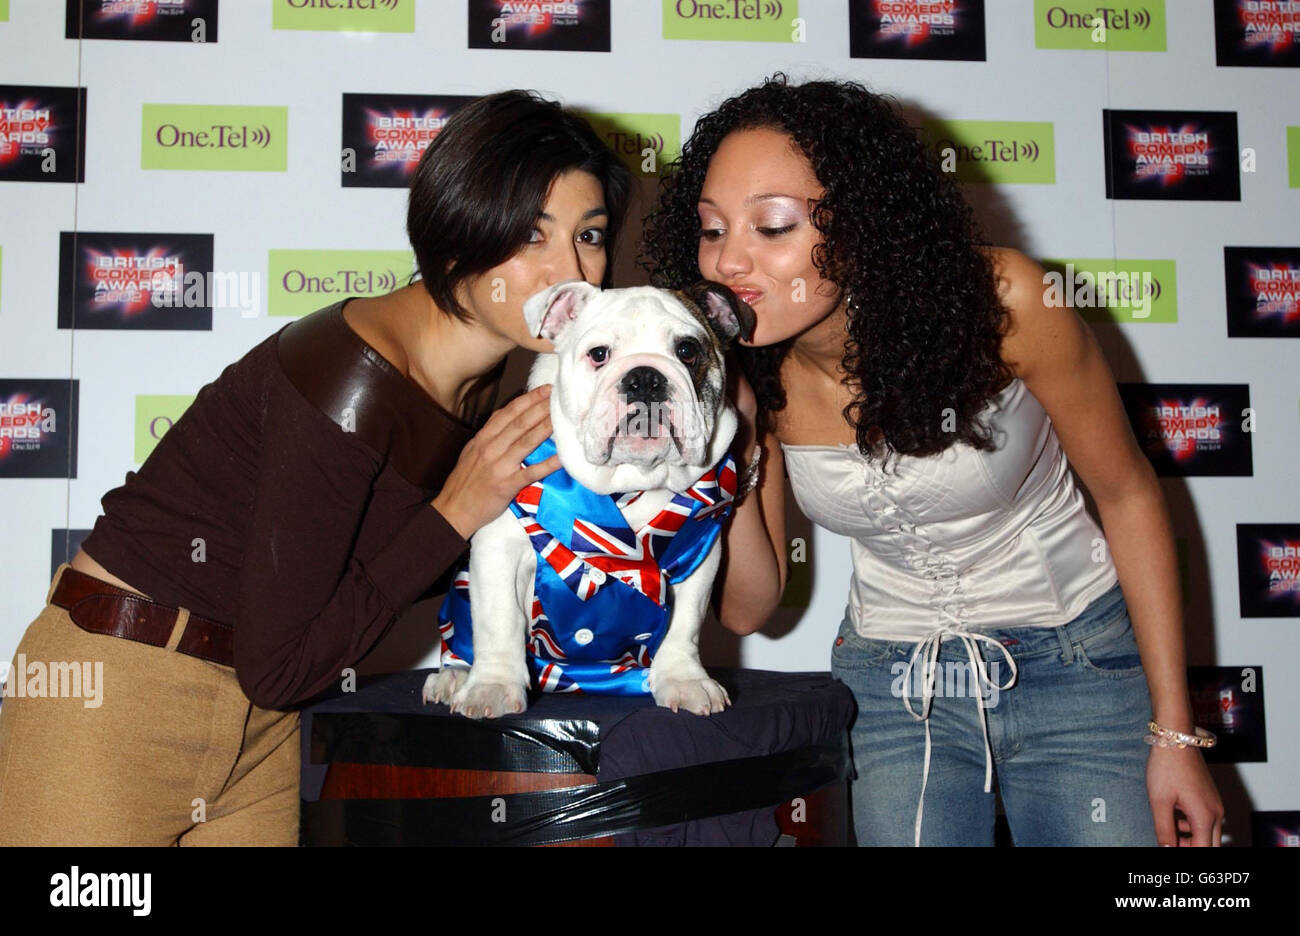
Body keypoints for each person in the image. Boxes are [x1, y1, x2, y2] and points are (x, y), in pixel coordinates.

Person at [0, 89, 631, 845]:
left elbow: (356, 594)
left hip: (269, 713)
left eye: (589, 235)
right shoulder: (353, 376)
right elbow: (290, 656)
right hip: (123, 689)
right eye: (532, 234)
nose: (571, 271)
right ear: (457, 230)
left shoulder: (492, 381)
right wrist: (457, 511)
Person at [640, 73, 1224, 846]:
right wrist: (733, 438)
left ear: (864, 223)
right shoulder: (744, 368)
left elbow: (1128, 496)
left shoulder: (1008, 303)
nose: (729, 263)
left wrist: (1175, 738)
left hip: (1077, 667)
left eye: (773, 226)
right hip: (891, 689)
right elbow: (750, 606)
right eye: (712, 229)